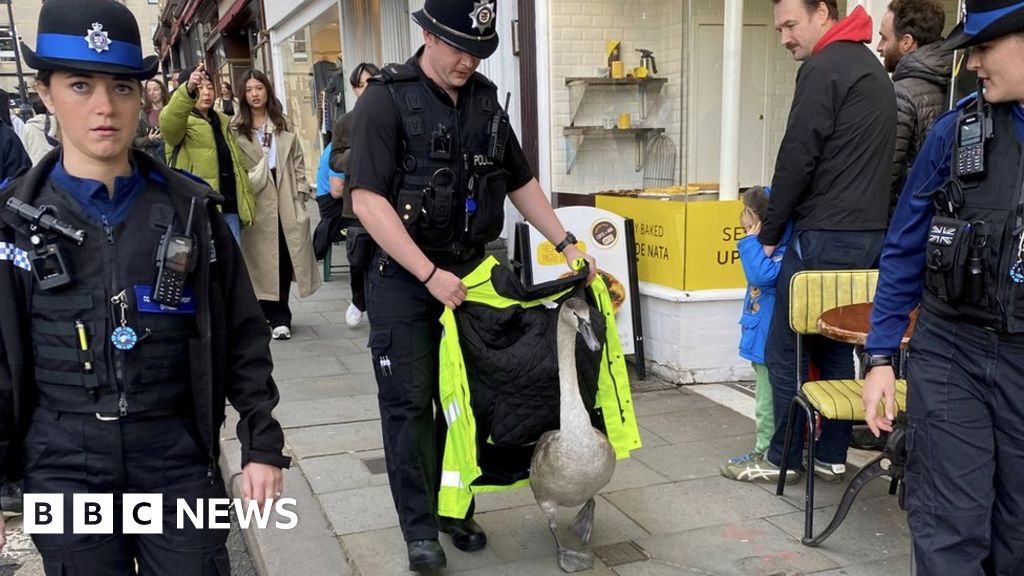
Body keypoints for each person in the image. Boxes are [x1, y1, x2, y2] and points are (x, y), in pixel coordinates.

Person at [0, 0, 290, 570]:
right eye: (80, 85)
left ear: (142, 97)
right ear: (45, 93)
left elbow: (243, 334)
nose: (105, 107)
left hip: (174, 457)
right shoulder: (12, 222)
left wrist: (261, 442)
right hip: (64, 464)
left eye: (122, 87)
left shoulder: (191, 212)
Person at [344, 0, 596, 570]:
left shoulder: (484, 101)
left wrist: (565, 242)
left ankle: (454, 508)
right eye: (459, 48)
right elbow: (367, 201)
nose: (468, 61)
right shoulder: (385, 99)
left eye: (478, 52)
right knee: (409, 405)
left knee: (466, 403)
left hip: (469, 277)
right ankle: (420, 530)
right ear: (430, 35)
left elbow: (520, 181)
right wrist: (428, 274)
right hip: (405, 279)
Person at [863, 1, 1024, 572]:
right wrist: (880, 356)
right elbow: (905, 245)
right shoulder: (956, 133)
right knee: (948, 529)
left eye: (984, 48)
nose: (972, 63)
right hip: (953, 350)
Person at [722, 0, 895, 485]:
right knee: (835, 348)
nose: (784, 38)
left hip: (821, 237)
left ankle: (782, 458)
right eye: (780, 29)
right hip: (867, 237)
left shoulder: (824, 67)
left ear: (822, 11)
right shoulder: (870, 67)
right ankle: (830, 454)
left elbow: (797, 157)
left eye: (790, 25)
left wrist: (770, 235)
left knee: (787, 352)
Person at [232, 70, 320, 341]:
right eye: (249, 89)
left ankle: (281, 316)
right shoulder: (235, 127)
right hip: (256, 198)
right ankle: (266, 313)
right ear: (242, 94)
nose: (255, 94)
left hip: (285, 196)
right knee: (260, 261)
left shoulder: (282, 123)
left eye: (259, 88)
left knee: (283, 257)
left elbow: (298, 160)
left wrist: (301, 193)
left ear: (267, 90)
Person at [721, 186, 792, 473]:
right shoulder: (774, 249)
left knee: (766, 402)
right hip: (762, 335)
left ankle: (765, 450)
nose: (746, 234)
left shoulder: (777, 252)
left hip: (768, 340)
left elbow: (761, 276)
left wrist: (751, 243)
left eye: (749, 228)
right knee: (768, 398)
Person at [160, 62, 254, 243]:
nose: (206, 92)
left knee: (232, 258)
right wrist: (188, 89)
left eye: (209, 87)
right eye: (199, 88)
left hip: (229, 206)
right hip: (197, 209)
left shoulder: (223, 121)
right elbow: (169, 124)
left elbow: (237, 164)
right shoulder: (181, 122)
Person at [876, 0, 952, 211]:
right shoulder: (954, 77)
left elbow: (886, 176)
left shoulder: (901, 93)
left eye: (884, 38)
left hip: (905, 214)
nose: (879, 47)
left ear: (907, 42)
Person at [327, 61, 379, 327]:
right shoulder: (344, 123)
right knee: (358, 255)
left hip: (387, 198)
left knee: (385, 255)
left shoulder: (391, 116)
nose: (364, 89)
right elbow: (333, 160)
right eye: (359, 85)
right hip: (355, 200)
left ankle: (380, 303)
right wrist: (353, 156)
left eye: (370, 83)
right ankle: (358, 299)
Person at [134, 77, 168, 163]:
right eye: (149, 90)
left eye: (155, 89)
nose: (152, 93)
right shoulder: (141, 113)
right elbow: (136, 140)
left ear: (162, 91)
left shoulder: (171, 109)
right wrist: (148, 139)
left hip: (171, 155)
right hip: (153, 158)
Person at [18, 94, 59, 164]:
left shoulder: (28, 127)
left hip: (36, 165)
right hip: (56, 163)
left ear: (34, 110)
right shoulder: (57, 124)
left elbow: (24, 148)